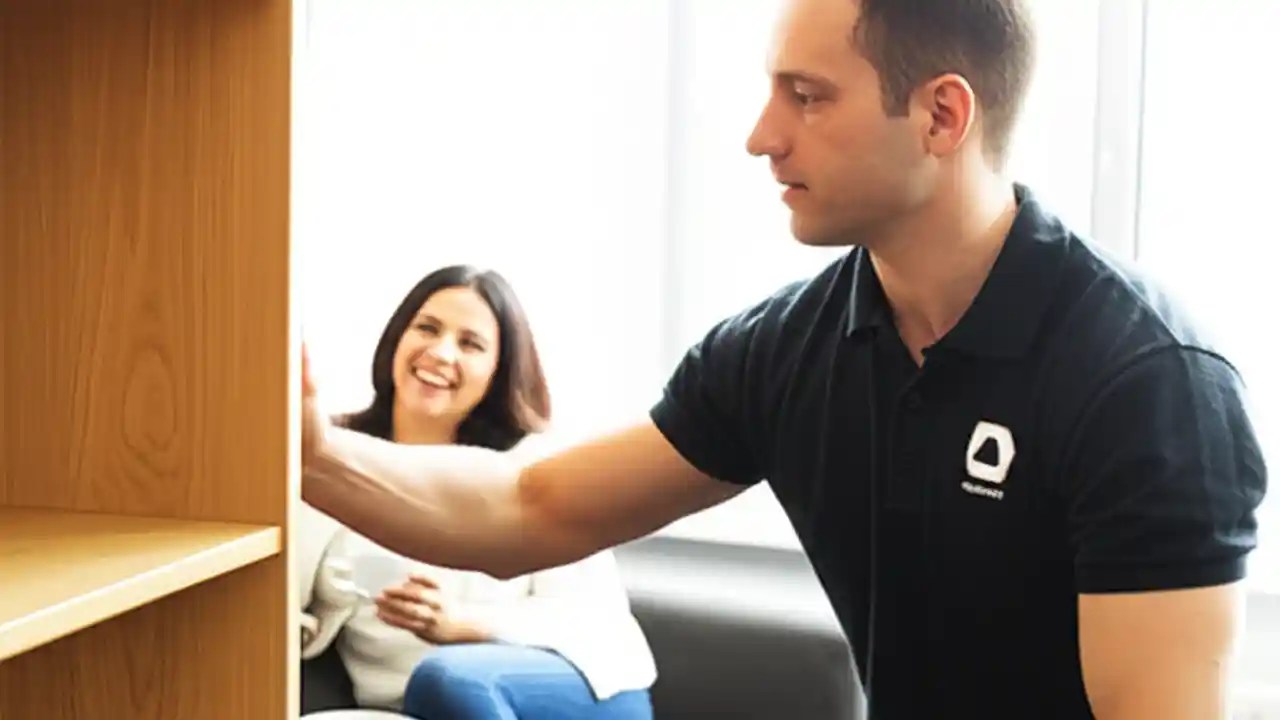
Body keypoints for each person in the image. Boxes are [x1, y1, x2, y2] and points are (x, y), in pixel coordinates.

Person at [300, 0, 1269, 717]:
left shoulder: (1145, 383)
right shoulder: (786, 351)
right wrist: (312, 458)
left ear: (940, 117)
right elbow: (533, 506)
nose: (761, 137)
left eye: (806, 98)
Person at [298, 265, 657, 719]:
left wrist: (461, 624)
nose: (440, 353)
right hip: (418, 706)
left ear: (497, 371)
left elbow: (592, 623)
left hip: (579, 690)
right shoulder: (331, 458)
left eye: (470, 344)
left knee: (449, 678)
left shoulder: (535, 465)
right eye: (427, 328)